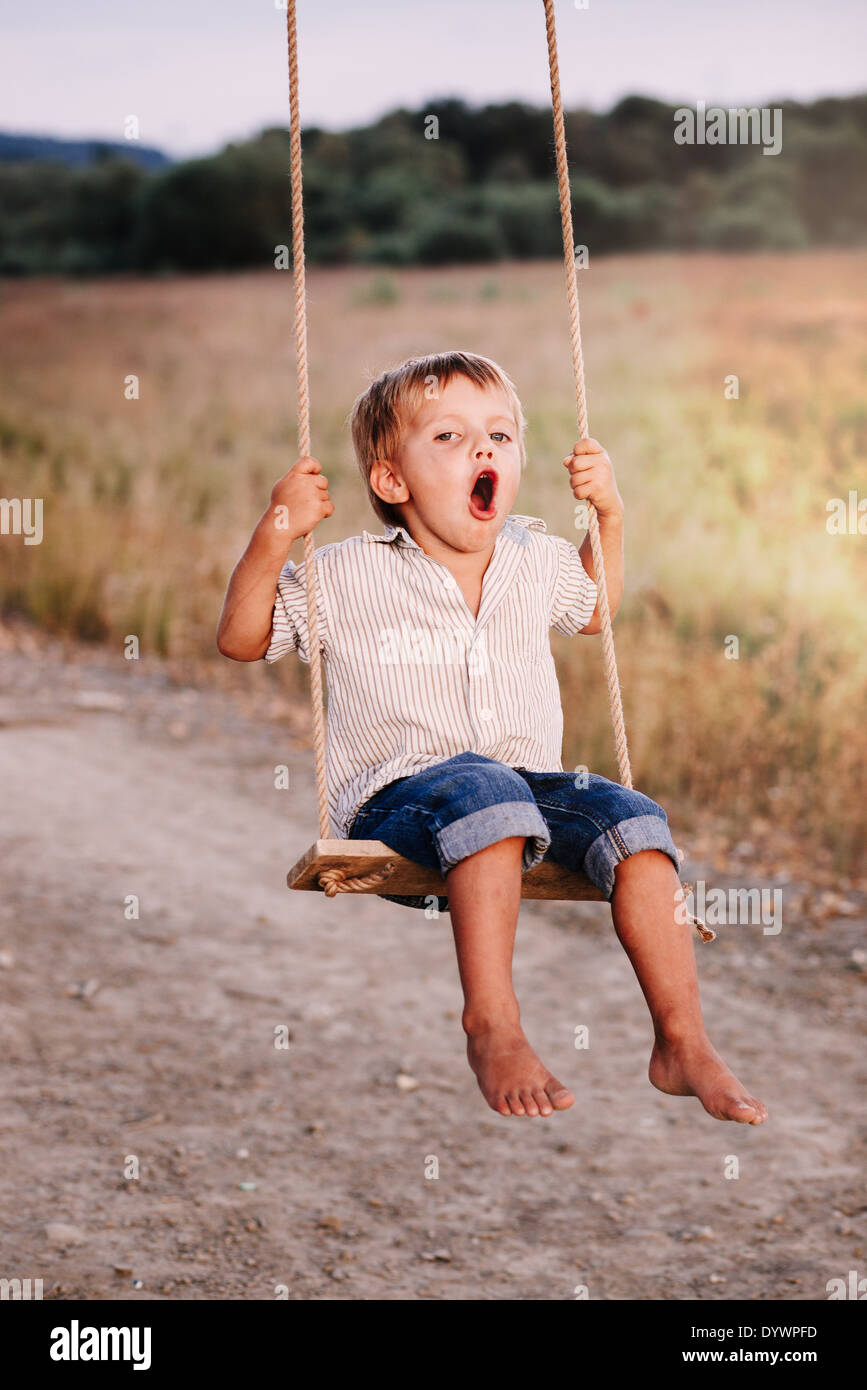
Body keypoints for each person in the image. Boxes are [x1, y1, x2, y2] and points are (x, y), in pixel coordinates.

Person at [217, 350, 767, 1126]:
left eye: (500, 436)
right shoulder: (346, 573)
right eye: (449, 437)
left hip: (528, 792)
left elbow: (593, 611)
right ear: (391, 482)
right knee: (485, 787)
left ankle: (681, 1041)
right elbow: (242, 639)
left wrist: (608, 516)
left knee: (633, 818)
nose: (484, 451)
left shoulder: (535, 558)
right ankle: (492, 1023)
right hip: (398, 798)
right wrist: (277, 530)